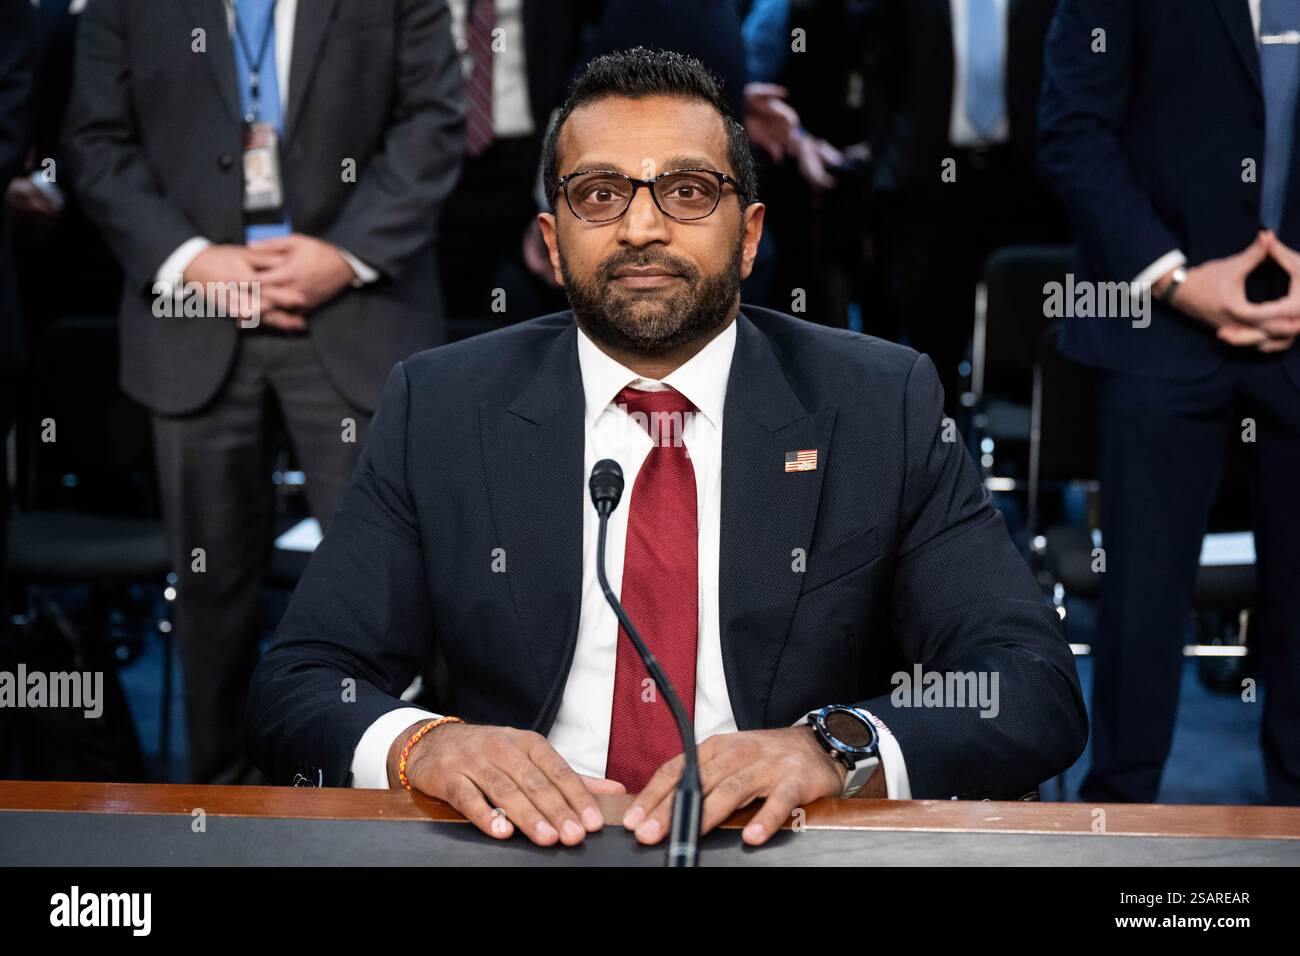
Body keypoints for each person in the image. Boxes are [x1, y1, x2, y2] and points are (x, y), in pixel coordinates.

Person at [247, 48, 1086, 848]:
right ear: (550, 238)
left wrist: (833, 748)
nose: (642, 227)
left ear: (751, 235)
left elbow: (1029, 684)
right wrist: (423, 745)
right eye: (601, 194)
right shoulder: (441, 405)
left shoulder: (878, 402)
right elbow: (299, 683)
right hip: (521, 847)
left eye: (687, 191)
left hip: (786, 844)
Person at [64, 0, 466, 784]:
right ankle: (222, 805)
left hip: (357, 309)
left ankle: (390, 802)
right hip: (192, 316)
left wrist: (343, 256)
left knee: (399, 594)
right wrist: (190, 262)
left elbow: (433, 120)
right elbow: (93, 140)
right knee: (211, 595)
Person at [1039, 0, 1300, 804]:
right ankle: (1116, 829)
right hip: (1156, 328)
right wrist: (1177, 279)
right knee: (1139, 607)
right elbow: (1072, 128)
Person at [864, 0, 1069, 414]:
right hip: (929, 182)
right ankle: (934, 461)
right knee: (929, 345)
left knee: (1025, 332)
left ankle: (1018, 457)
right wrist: (887, 163)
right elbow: (882, 72)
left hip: (1026, 180)